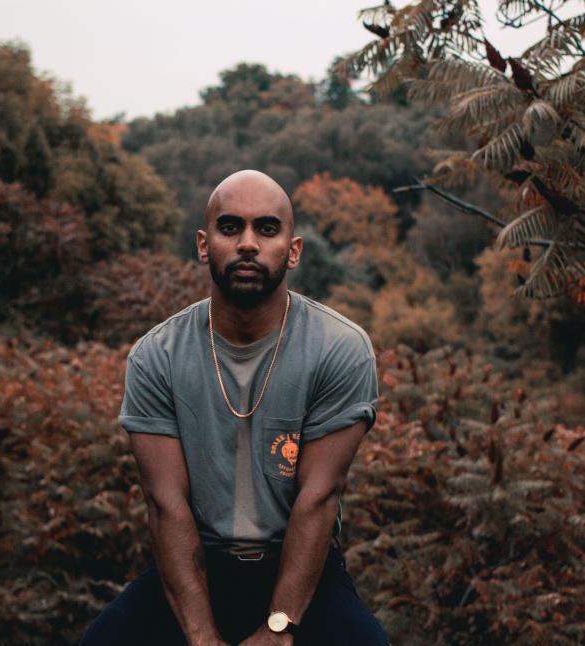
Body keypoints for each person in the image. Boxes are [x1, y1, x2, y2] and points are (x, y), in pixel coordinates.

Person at [80, 170, 389, 645]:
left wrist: (278, 626)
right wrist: (202, 636)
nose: (248, 244)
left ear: (293, 249)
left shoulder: (339, 348)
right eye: (230, 228)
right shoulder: (156, 356)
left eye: (267, 229)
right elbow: (166, 506)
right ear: (204, 245)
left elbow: (319, 499)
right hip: (196, 565)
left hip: (301, 566)